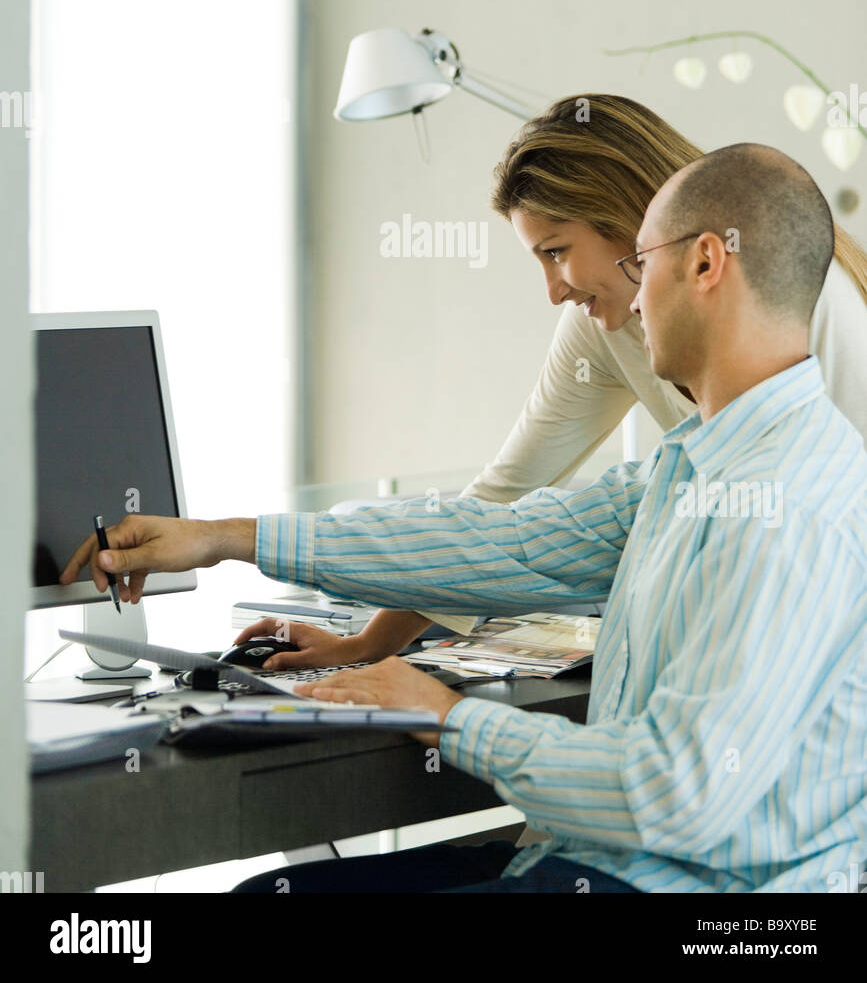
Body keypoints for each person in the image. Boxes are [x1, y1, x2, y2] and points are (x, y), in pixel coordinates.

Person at [61, 144, 867, 894]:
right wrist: (228, 539)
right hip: (603, 862)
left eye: (639, 262)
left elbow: (679, 794)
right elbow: (504, 541)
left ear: (703, 263)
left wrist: (448, 717)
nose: (624, 291)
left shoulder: (785, 508)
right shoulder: (695, 464)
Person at [240, 95, 867, 672]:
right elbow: (507, 501)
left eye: (556, 251)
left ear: (624, 216)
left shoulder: (795, 305)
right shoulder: (605, 322)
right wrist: (370, 646)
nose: (554, 290)